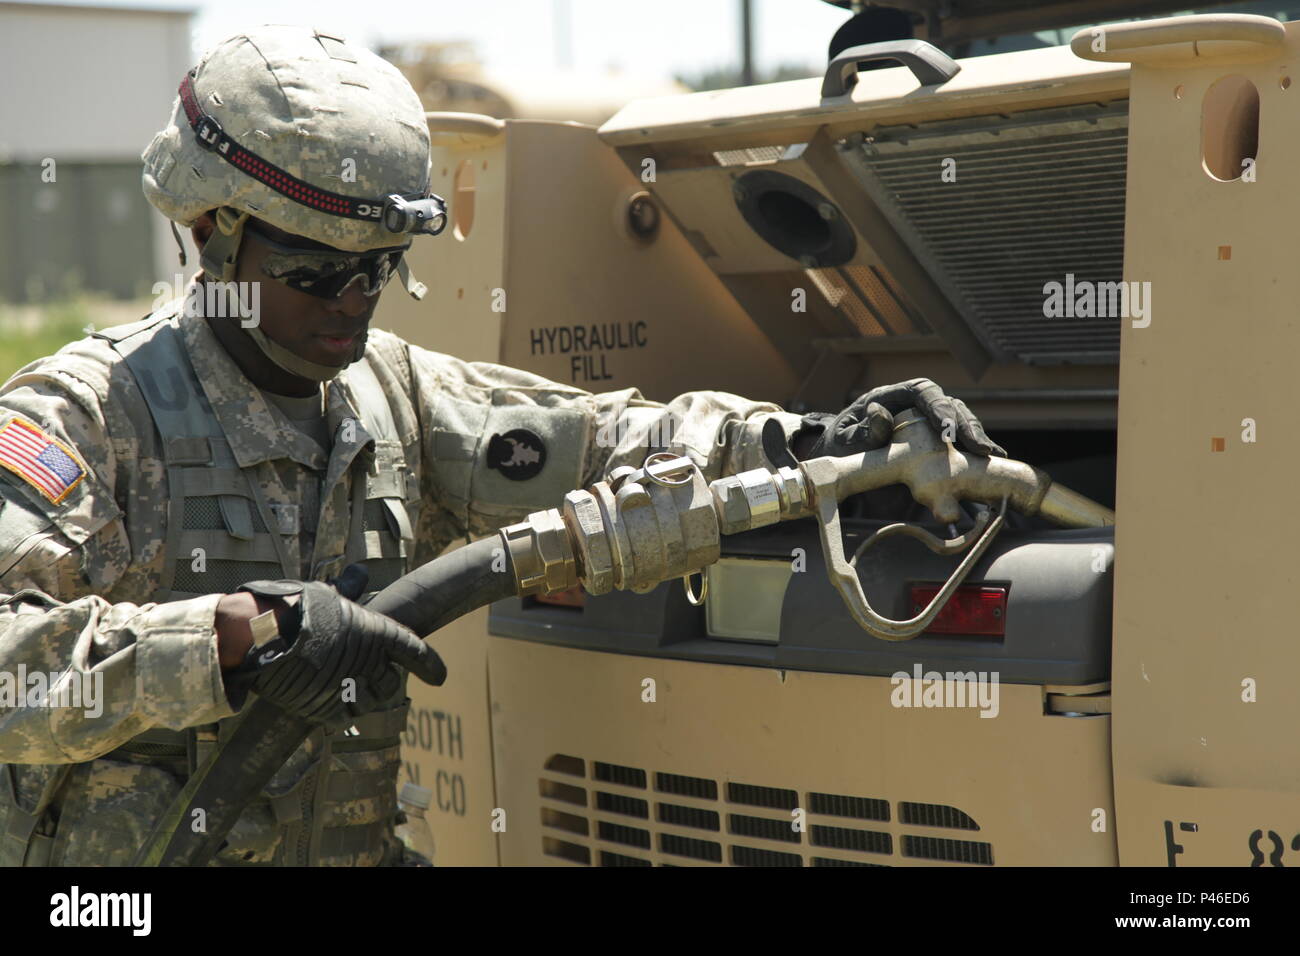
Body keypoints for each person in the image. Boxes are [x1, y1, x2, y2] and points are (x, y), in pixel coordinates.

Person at [0, 25, 1001, 866]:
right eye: (315, 272)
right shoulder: (89, 416)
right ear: (215, 231)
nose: (352, 304)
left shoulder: (392, 394)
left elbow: (600, 440)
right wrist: (234, 630)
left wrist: (813, 437)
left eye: (381, 268)